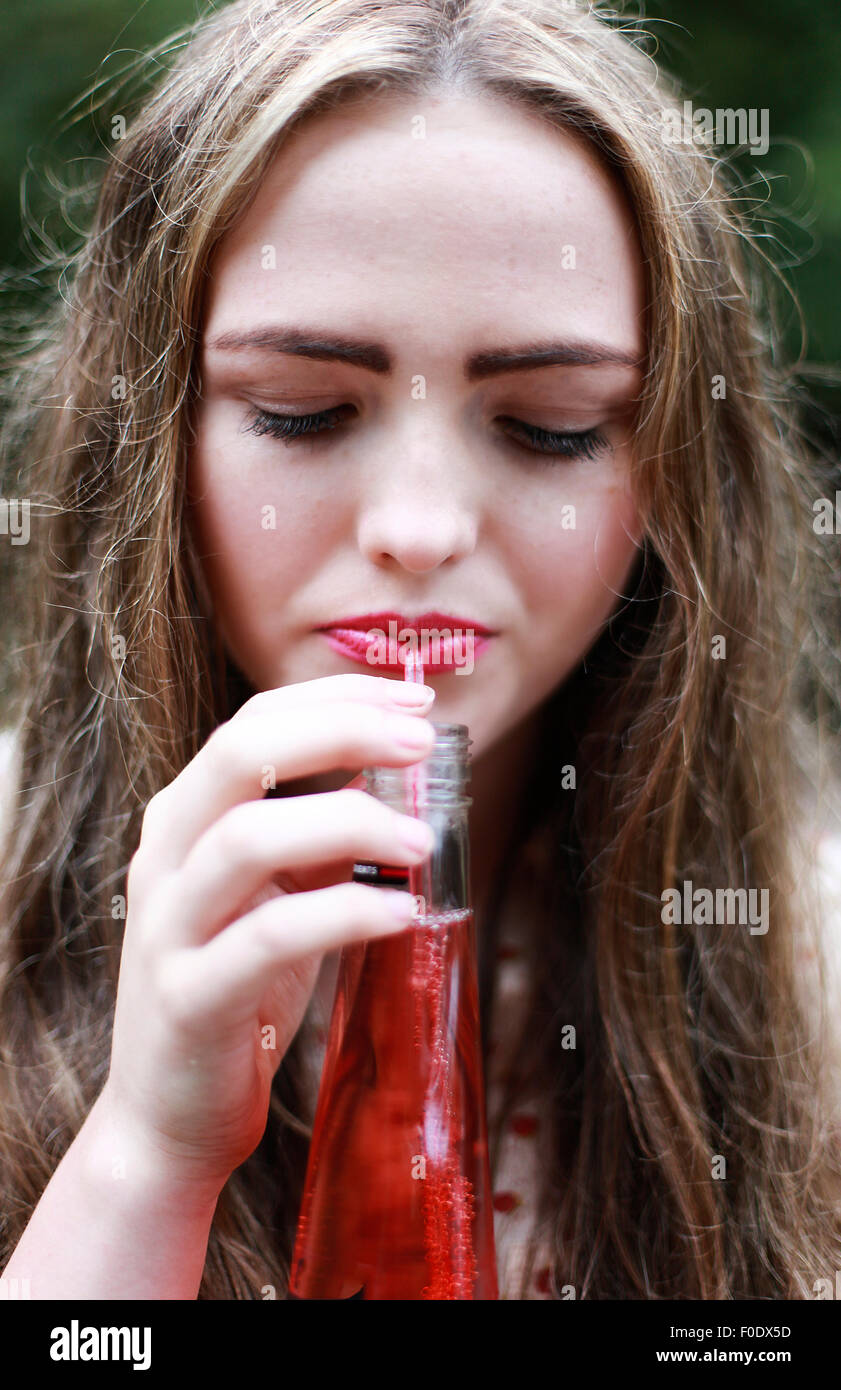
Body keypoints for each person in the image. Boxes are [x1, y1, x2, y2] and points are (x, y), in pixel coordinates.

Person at [1, 0, 840, 1301]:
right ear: (148, 431)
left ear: (674, 468)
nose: (416, 529)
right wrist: (144, 1159)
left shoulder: (818, 971)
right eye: (303, 410)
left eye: (550, 426)